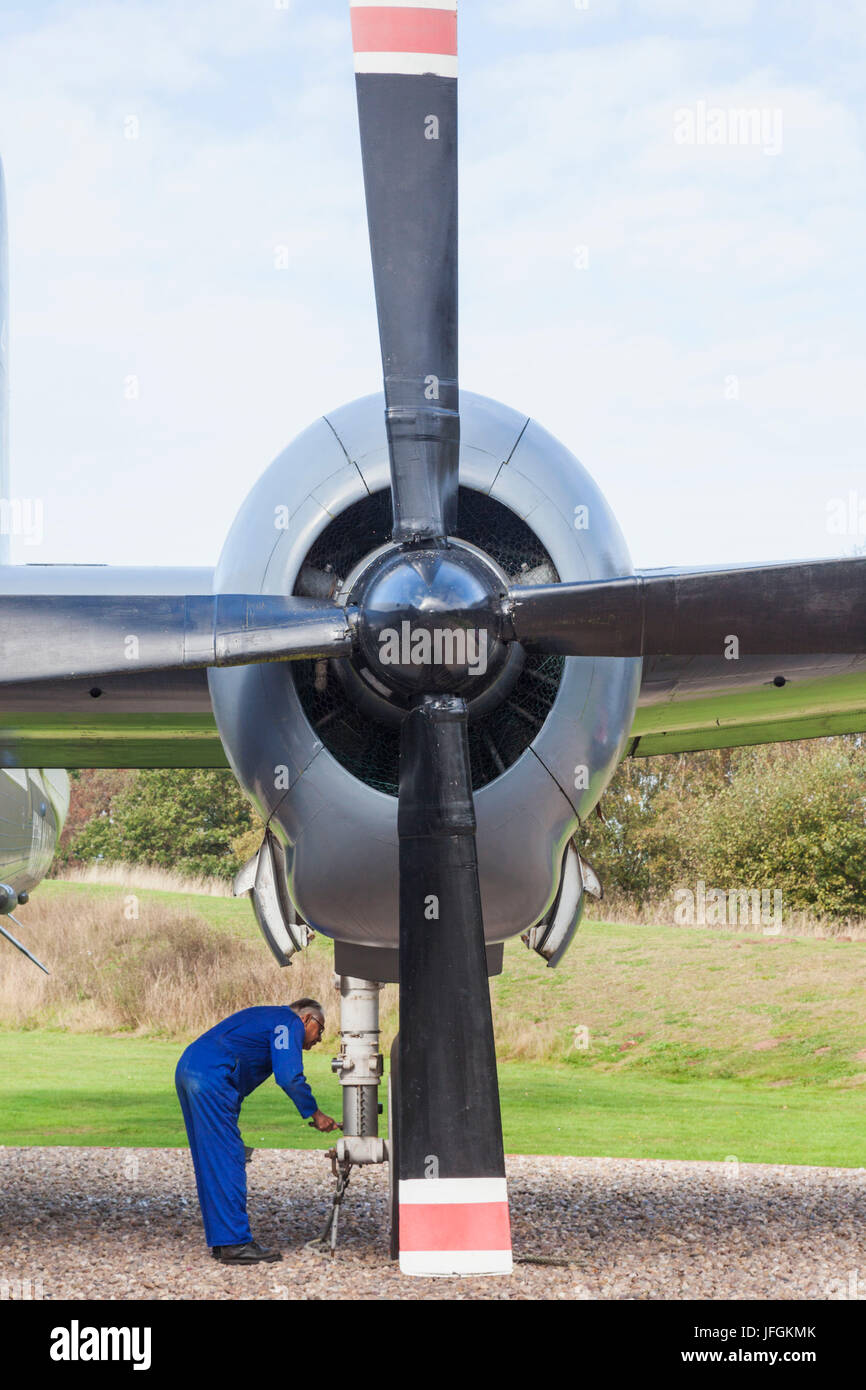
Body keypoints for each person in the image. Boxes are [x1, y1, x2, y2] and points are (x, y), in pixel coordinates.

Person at [175, 997, 341, 1264]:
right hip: (210, 1075)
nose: (319, 1038)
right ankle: (235, 1244)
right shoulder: (288, 1021)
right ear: (306, 1019)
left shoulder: (266, 1016)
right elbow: (289, 1077)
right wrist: (316, 1113)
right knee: (229, 1157)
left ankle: (223, 1241)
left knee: (211, 1160)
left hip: (189, 1067)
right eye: (320, 1029)